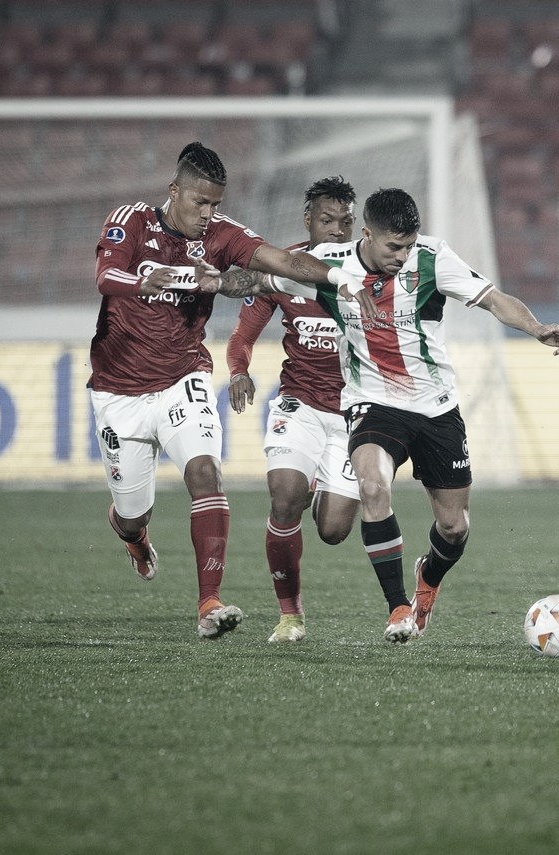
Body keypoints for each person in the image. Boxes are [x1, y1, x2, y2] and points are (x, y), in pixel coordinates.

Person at [210, 188, 559, 643]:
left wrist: (536, 327)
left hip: (436, 408)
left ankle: (427, 578)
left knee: (454, 527)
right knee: (373, 486)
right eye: (393, 247)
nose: (402, 256)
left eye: (408, 245)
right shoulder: (330, 265)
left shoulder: (433, 258)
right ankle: (398, 608)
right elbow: (259, 282)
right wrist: (209, 280)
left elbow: (494, 299)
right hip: (373, 403)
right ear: (367, 235)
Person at [90, 141, 370, 640]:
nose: (208, 213)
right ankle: (132, 534)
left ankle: (209, 603)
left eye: (215, 204)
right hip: (119, 389)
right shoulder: (131, 220)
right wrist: (151, 282)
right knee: (134, 513)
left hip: (184, 377)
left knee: (206, 473)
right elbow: (106, 277)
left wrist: (337, 279)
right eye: (200, 202)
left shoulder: (223, 235)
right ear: (174, 191)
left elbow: (280, 263)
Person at [226, 176, 361, 643]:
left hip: (354, 413)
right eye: (327, 220)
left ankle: (318, 484)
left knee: (333, 531)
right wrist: (238, 371)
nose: (338, 230)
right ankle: (290, 616)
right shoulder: (282, 269)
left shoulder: (368, 274)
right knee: (284, 498)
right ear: (308, 220)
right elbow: (242, 335)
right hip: (298, 402)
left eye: (346, 222)